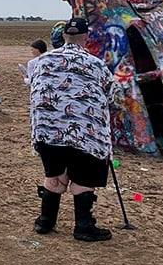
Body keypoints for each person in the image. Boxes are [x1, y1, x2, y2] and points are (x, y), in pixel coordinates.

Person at [29, 17, 120, 243]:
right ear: (85, 38)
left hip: (47, 131)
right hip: (86, 134)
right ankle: (84, 226)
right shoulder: (96, 64)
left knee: (55, 176)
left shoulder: (41, 61)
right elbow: (113, 96)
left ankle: (45, 221)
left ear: (63, 37)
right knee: (83, 179)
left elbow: (34, 87)